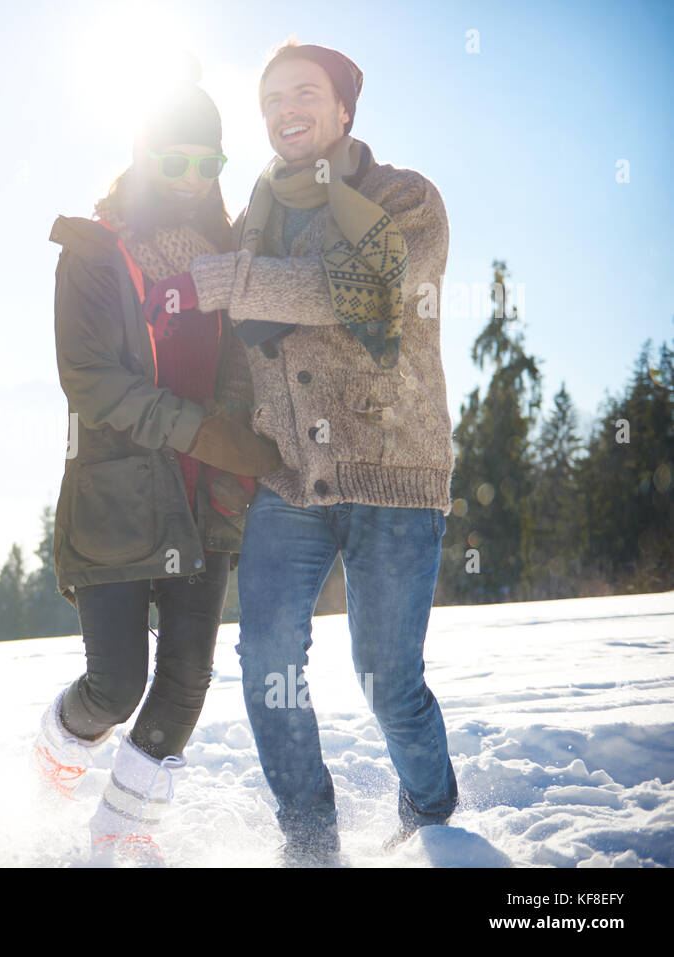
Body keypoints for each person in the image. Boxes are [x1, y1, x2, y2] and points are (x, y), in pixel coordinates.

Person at [147, 41, 460, 864]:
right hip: (290, 479)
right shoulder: (257, 216)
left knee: (387, 678)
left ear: (344, 107)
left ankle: (434, 819)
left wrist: (231, 281)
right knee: (267, 661)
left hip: (395, 474)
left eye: (304, 92)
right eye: (272, 97)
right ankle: (310, 839)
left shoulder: (405, 198)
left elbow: (364, 294)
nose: (287, 108)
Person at [40, 67, 282, 865]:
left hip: (209, 502)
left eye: (205, 163)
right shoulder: (93, 250)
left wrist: (236, 454)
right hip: (117, 496)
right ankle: (53, 756)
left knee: (184, 678)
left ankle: (118, 832)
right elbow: (91, 381)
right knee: (114, 682)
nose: (189, 180)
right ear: (142, 158)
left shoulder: (231, 258)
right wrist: (204, 435)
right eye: (171, 161)